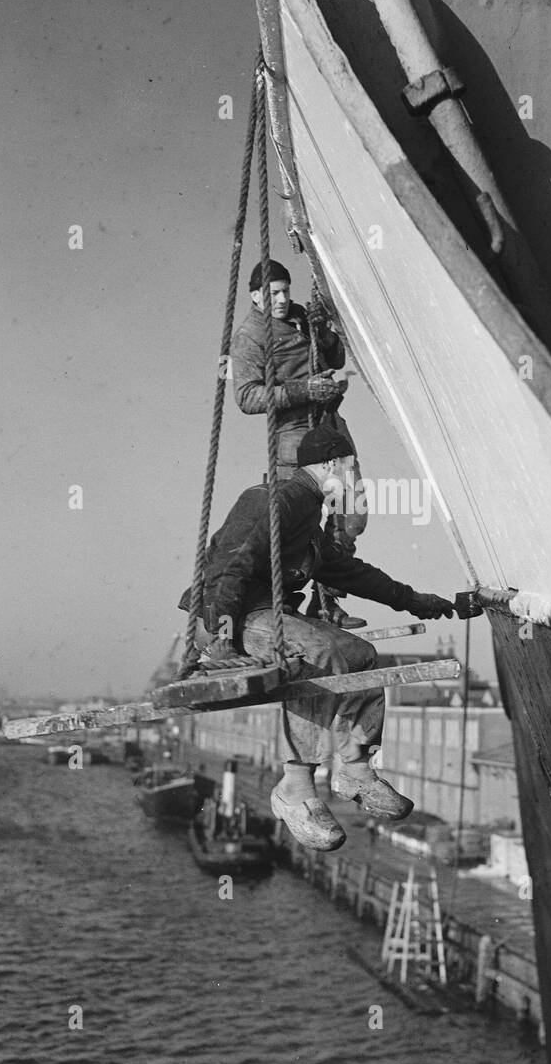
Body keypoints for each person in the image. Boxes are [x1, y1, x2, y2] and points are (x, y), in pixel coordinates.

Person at [178, 419, 455, 852]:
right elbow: (231, 566)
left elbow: (348, 572)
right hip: (230, 617)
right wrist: (221, 638)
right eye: (352, 469)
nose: (357, 483)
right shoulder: (273, 501)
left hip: (264, 615)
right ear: (331, 464)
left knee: (361, 655)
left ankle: (356, 768)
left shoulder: (308, 516)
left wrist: (415, 600)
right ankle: (295, 788)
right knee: (319, 652)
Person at [230, 259, 366, 625]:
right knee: (299, 524)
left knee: (349, 515)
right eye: (274, 293)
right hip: (293, 436)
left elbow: (335, 357)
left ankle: (327, 603)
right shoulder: (249, 337)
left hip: (329, 429)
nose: (282, 298)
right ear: (256, 296)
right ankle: (284, 604)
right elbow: (245, 397)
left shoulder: (302, 317)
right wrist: (303, 390)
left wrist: (323, 332)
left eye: (286, 290)